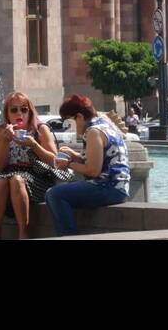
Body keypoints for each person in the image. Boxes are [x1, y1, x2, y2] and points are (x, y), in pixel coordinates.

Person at [44, 94, 131, 236]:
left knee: (54, 194)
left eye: (69, 122)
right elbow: (97, 161)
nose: (68, 127)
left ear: (79, 116)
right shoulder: (103, 125)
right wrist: (75, 155)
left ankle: (69, 237)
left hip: (108, 188)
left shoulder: (93, 132)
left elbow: (92, 170)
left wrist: (68, 164)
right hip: (116, 188)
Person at [0, 91, 63, 240]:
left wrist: (34, 145)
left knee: (16, 179)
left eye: (24, 109)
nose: (19, 113)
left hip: (37, 175)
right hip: (9, 173)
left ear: (30, 111)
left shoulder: (40, 129)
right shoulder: (0, 131)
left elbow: (55, 161)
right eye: (14, 109)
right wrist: (4, 142)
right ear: (7, 114)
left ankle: (23, 234)